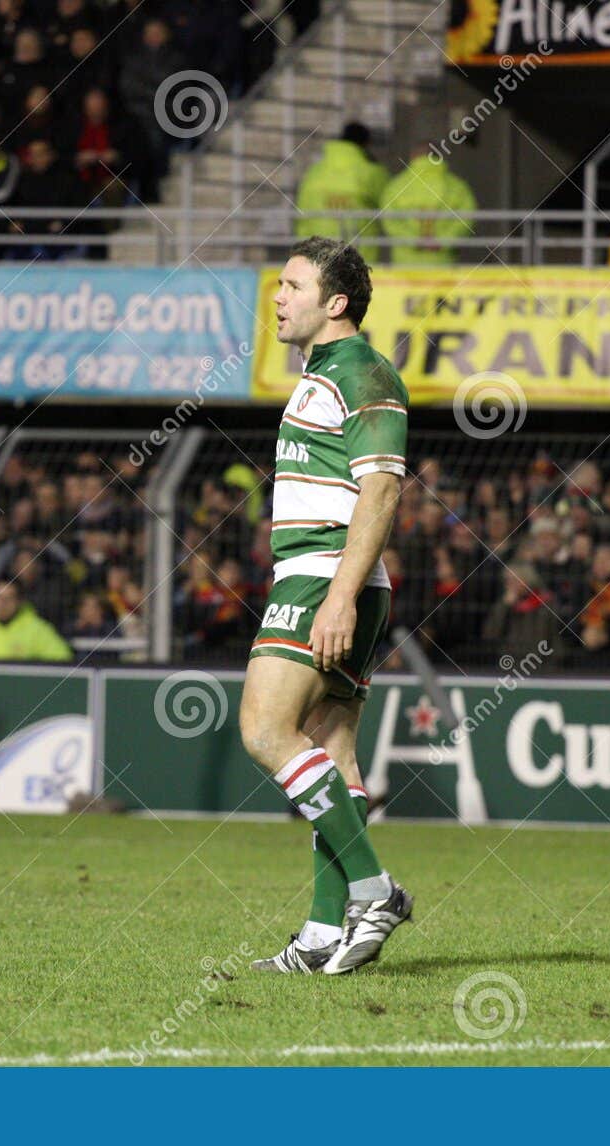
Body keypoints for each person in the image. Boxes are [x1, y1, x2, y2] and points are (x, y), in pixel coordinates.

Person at [243, 237, 413, 975]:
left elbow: (382, 489)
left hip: (324, 577)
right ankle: (320, 931)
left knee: (263, 727)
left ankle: (374, 889)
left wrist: (339, 594)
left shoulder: (363, 369)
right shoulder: (323, 374)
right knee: (329, 747)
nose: (277, 297)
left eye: (292, 285)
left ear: (334, 302)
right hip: (330, 576)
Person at [293, 123, 389, 261]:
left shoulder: (314, 172)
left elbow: (302, 215)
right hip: (360, 259)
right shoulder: (372, 172)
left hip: (318, 257)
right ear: (366, 144)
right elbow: (390, 205)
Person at [378, 144, 477, 265]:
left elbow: (389, 221)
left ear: (413, 157)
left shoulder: (396, 186)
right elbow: (466, 218)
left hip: (405, 266)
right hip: (443, 264)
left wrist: (413, 241)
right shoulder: (457, 186)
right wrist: (443, 241)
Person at [0, 579, 73, 662]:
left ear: (19, 601)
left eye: (8, 598)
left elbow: (63, 658)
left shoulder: (36, 629)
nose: (2, 604)